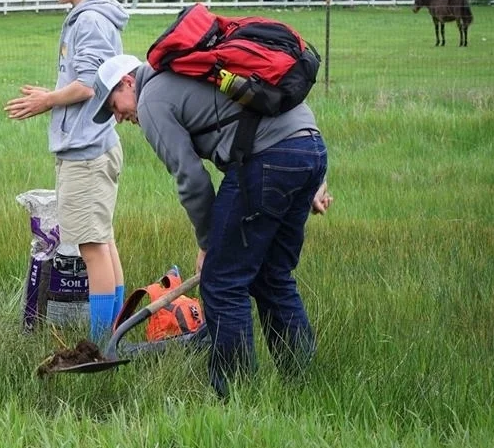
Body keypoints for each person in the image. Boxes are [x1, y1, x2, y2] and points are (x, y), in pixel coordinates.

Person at [91, 54, 330, 397]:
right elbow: (288, 114)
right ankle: (302, 382)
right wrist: (313, 176)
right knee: (272, 275)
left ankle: (235, 394)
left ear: (128, 82)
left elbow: (191, 180)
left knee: (222, 283)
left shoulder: (153, 97)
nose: (118, 117)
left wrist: (208, 244)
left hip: (268, 159)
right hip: (308, 148)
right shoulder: (185, 72)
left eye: (113, 105)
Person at [5, 0, 129, 340]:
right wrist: (53, 96)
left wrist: (48, 100)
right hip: (91, 146)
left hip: (87, 153)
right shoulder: (86, 16)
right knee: (103, 242)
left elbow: (92, 84)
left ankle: (100, 342)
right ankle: (113, 333)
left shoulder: (91, 20)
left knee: (92, 248)